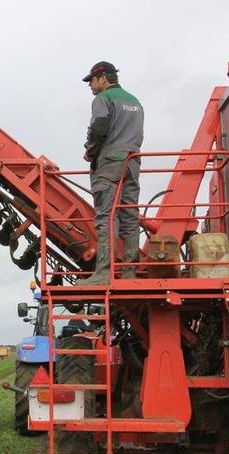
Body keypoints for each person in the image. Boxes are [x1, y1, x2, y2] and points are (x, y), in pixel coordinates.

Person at [76, 61, 144, 286]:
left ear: (103, 79)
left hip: (109, 164)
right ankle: (129, 272)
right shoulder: (135, 102)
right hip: (132, 164)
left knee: (106, 216)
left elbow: (99, 126)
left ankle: (104, 273)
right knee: (129, 215)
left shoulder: (103, 99)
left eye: (92, 81)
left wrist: (90, 151)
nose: (90, 86)